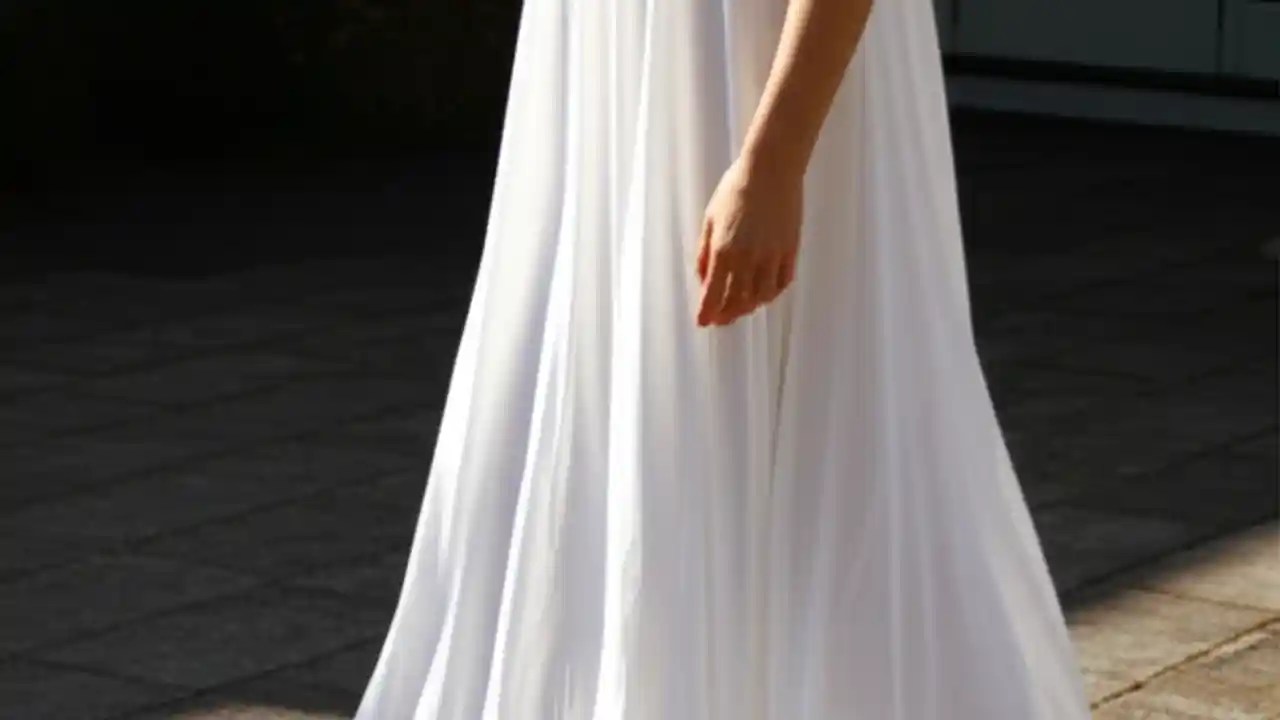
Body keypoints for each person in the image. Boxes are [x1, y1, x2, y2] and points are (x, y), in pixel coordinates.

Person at [353, 0, 1095, 717]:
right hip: (621, 107)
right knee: (618, 440)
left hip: (751, 101)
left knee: (826, 450)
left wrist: (773, 160)